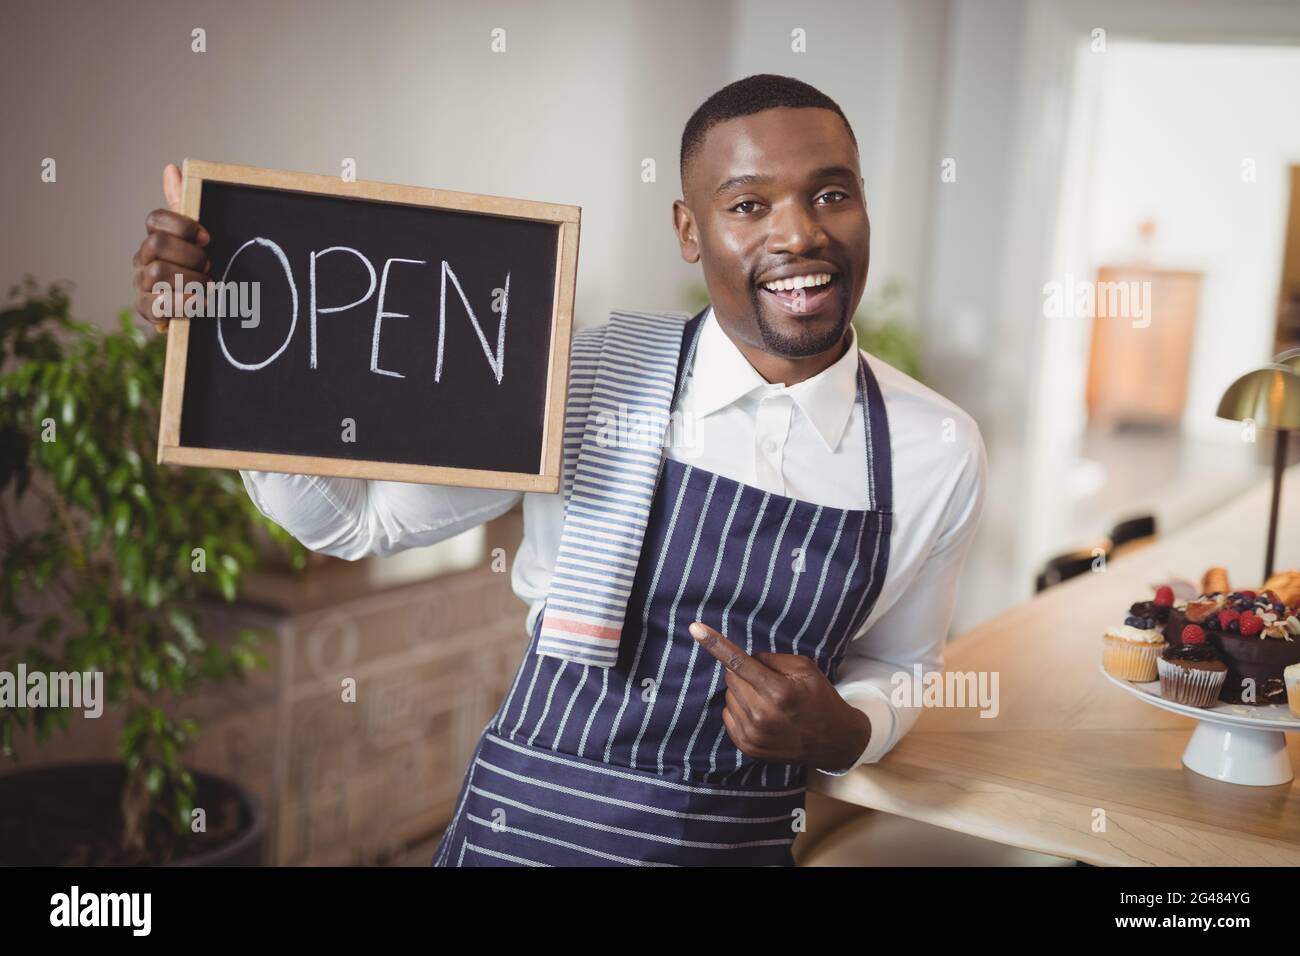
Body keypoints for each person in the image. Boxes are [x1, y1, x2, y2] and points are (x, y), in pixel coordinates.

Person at [132, 73, 987, 867]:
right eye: (748, 204)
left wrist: (843, 731)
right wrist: (218, 347)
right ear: (691, 231)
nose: (799, 231)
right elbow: (360, 522)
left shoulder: (934, 449)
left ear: (864, 205)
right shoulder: (581, 381)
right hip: (521, 834)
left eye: (830, 193)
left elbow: (901, 665)